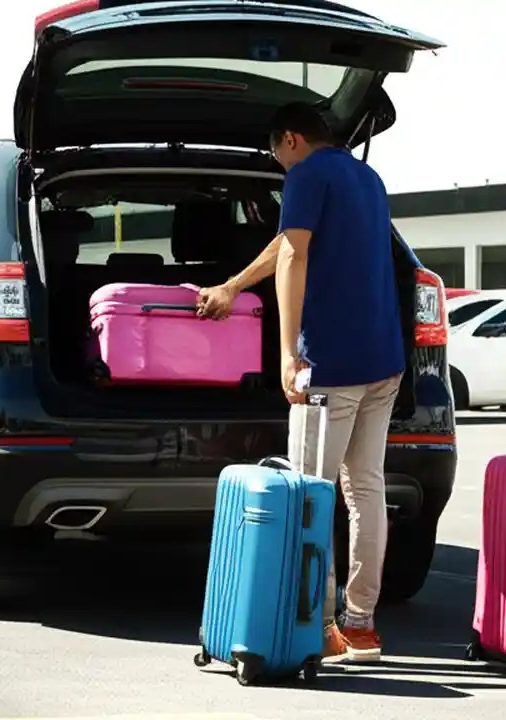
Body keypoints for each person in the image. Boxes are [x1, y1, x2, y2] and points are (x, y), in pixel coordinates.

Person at [196, 102, 405, 662]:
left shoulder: (307, 174)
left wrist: (288, 353)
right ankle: (360, 624)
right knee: (366, 489)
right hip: (384, 360)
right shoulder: (366, 177)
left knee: (309, 495)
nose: (282, 168)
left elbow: (294, 255)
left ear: (291, 140)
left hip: (331, 365)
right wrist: (235, 285)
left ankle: (312, 623)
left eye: (277, 157)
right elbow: (289, 243)